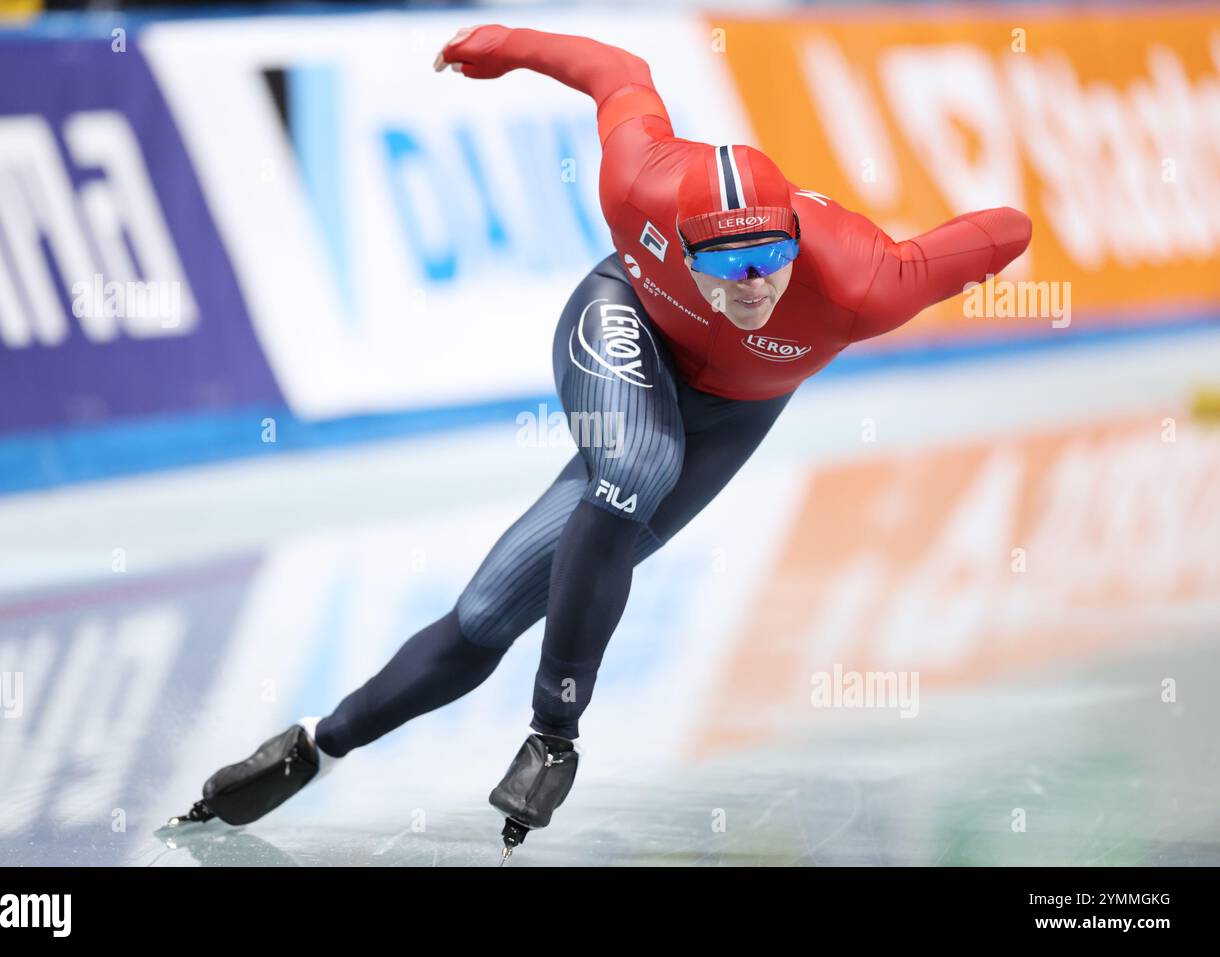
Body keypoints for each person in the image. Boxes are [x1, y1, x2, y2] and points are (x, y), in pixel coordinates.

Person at [166, 25, 1032, 860]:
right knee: (634, 468)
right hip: (626, 327)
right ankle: (555, 738)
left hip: (731, 419)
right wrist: (502, 46)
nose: (753, 287)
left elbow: (1003, 231)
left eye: (769, 257)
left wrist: (1013, 227)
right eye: (725, 266)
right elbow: (615, 68)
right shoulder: (636, 183)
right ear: (673, 241)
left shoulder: (865, 280)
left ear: (796, 239)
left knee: (484, 617)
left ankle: (317, 743)